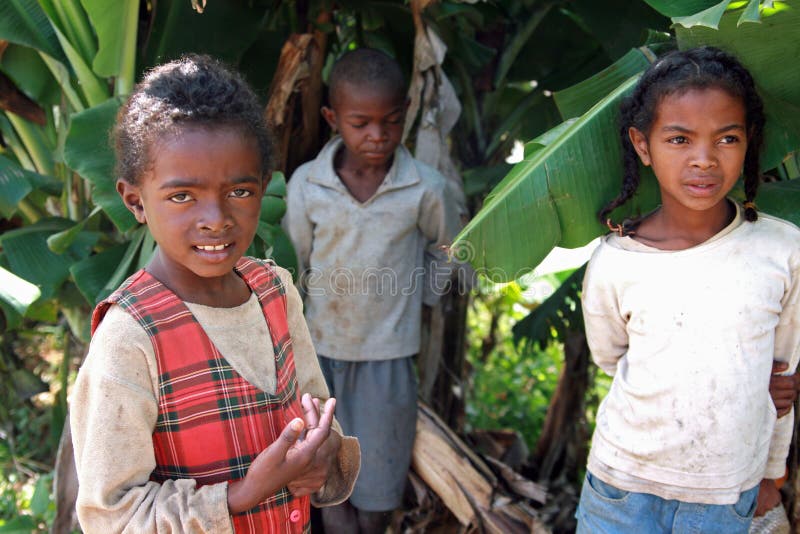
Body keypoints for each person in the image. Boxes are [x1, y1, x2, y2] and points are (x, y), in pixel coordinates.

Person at [70, 55, 360, 533]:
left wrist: (322, 453)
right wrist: (241, 495)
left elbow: (315, 413)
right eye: (182, 196)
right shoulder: (129, 338)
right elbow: (112, 518)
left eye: (240, 192)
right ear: (135, 200)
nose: (216, 218)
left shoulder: (274, 291)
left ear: (264, 187)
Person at [577, 46, 800, 533]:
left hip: (726, 496)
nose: (704, 160)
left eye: (726, 139)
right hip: (621, 487)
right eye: (679, 139)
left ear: (749, 142)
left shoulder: (783, 251)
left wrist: (772, 474)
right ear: (643, 145)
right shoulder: (616, 262)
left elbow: (782, 376)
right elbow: (612, 357)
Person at [283, 48, 461, 533]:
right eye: (361, 123)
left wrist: (418, 302)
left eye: (390, 121)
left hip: (389, 358)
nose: (377, 136)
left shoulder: (425, 189)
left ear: (405, 112)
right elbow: (293, 266)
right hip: (319, 359)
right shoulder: (307, 186)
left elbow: (445, 251)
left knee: (379, 487)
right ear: (332, 118)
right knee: (326, 478)